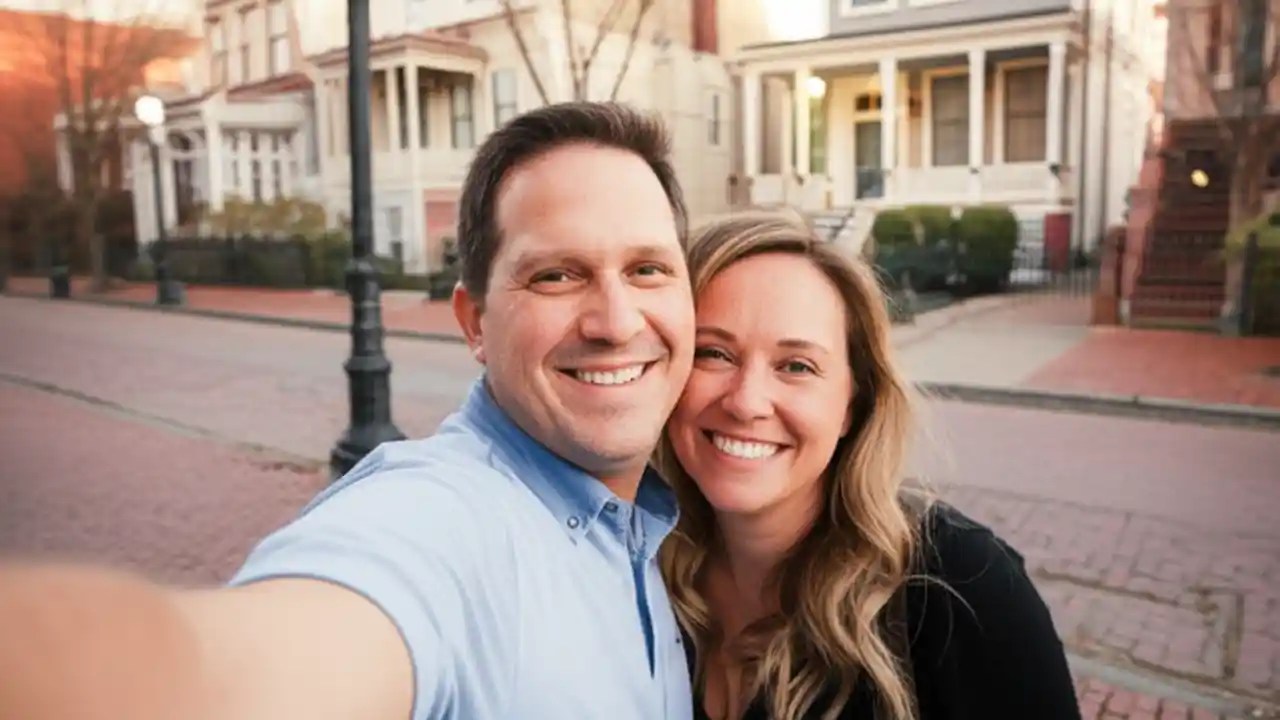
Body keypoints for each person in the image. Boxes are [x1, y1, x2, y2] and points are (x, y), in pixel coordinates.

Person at [0, 102, 697, 720]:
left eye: (647, 269)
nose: (614, 320)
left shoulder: (664, 527)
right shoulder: (439, 521)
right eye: (556, 275)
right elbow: (243, 667)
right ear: (474, 321)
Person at [656, 211, 1081, 720]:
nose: (747, 402)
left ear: (851, 406)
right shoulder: (640, 571)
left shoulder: (960, 588)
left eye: (797, 366)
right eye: (714, 353)